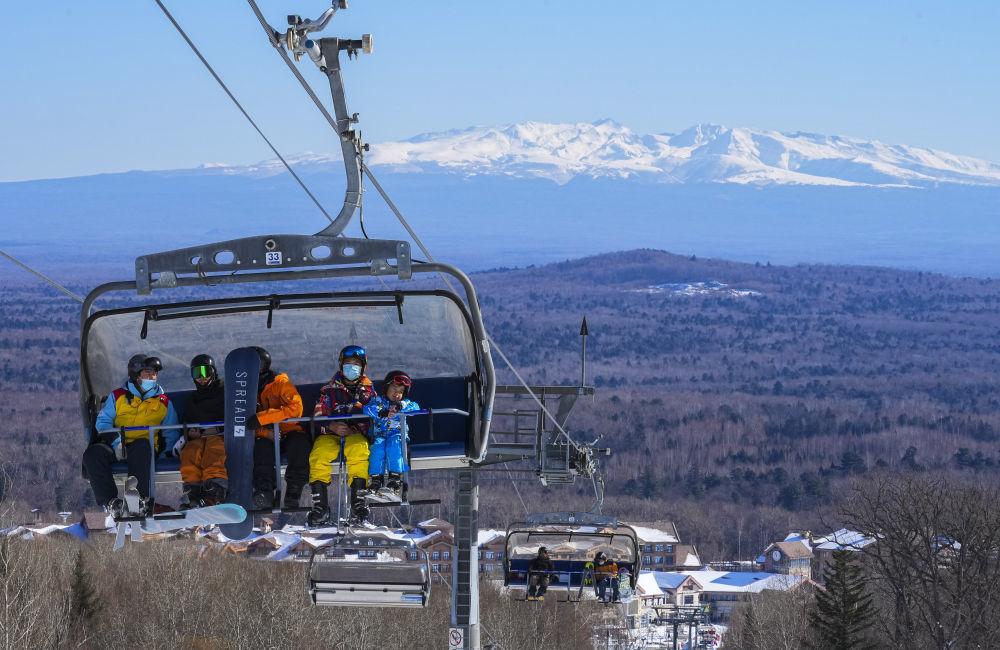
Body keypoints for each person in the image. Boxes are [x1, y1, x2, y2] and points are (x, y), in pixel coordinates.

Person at [82, 354, 179, 517]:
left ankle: (139, 500)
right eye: (147, 373)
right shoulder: (118, 396)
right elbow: (103, 421)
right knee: (93, 454)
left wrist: (167, 452)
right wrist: (116, 443)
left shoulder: (163, 402)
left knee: (141, 446)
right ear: (135, 374)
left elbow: (171, 430)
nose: (152, 377)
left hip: (144, 447)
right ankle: (112, 502)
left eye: (154, 374)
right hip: (118, 446)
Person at [307, 345, 375, 526]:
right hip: (330, 433)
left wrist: (357, 426)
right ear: (341, 365)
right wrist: (332, 425)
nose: (351, 368)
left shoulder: (368, 392)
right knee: (319, 454)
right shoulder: (328, 390)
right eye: (348, 364)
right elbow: (318, 414)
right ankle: (320, 506)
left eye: (356, 364)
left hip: (356, 434)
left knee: (359, 451)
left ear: (363, 367)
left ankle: (358, 503)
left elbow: (374, 414)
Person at [248, 347, 311, 509]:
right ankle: (265, 491)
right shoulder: (243, 390)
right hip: (265, 436)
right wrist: (264, 431)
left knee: (300, 444)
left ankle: (294, 491)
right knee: (261, 448)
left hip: (288, 432)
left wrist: (262, 418)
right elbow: (244, 423)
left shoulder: (280, 384)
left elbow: (296, 408)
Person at [177, 354, 227, 509]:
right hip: (199, 438)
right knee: (191, 451)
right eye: (197, 373)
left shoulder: (225, 392)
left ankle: (214, 490)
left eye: (206, 372)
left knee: (213, 449)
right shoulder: (193, 399)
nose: (202, 377)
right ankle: (193, 491)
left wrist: (218, 429)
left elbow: (235, 415)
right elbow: (185, 421)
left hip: (220, 436)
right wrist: (190, 432)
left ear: (213, 372)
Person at [363, 370, 419, 501]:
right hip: (380, 435)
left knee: (394, 447)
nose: (397, 393)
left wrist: (401, 407)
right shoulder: (379, 401)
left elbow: (415, 408)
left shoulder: (404, 403)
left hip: (397, 435)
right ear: (386, 387)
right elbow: (367, 408)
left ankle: (395, 480)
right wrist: (381, 412)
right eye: (394, 388)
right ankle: (376, 479)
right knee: (377, 448)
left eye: (400, 391)